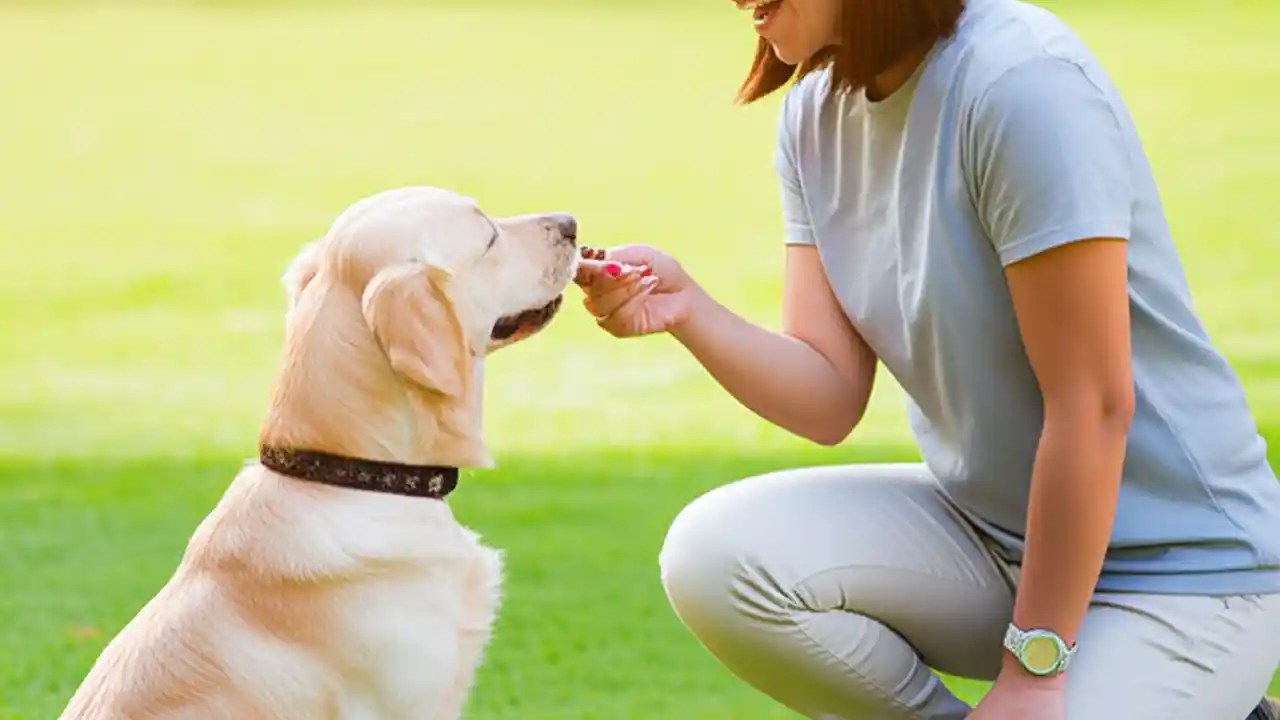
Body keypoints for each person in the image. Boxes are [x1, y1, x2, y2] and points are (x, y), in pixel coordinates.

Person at [571, 0, 1280, 718]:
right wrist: (688, 309)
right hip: (994, 536)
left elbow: (1093, 405)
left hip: (1185, 566)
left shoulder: (1021, 83)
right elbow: (828, 393)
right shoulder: (816, 112)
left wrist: (1034, 671)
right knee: (717, 558)